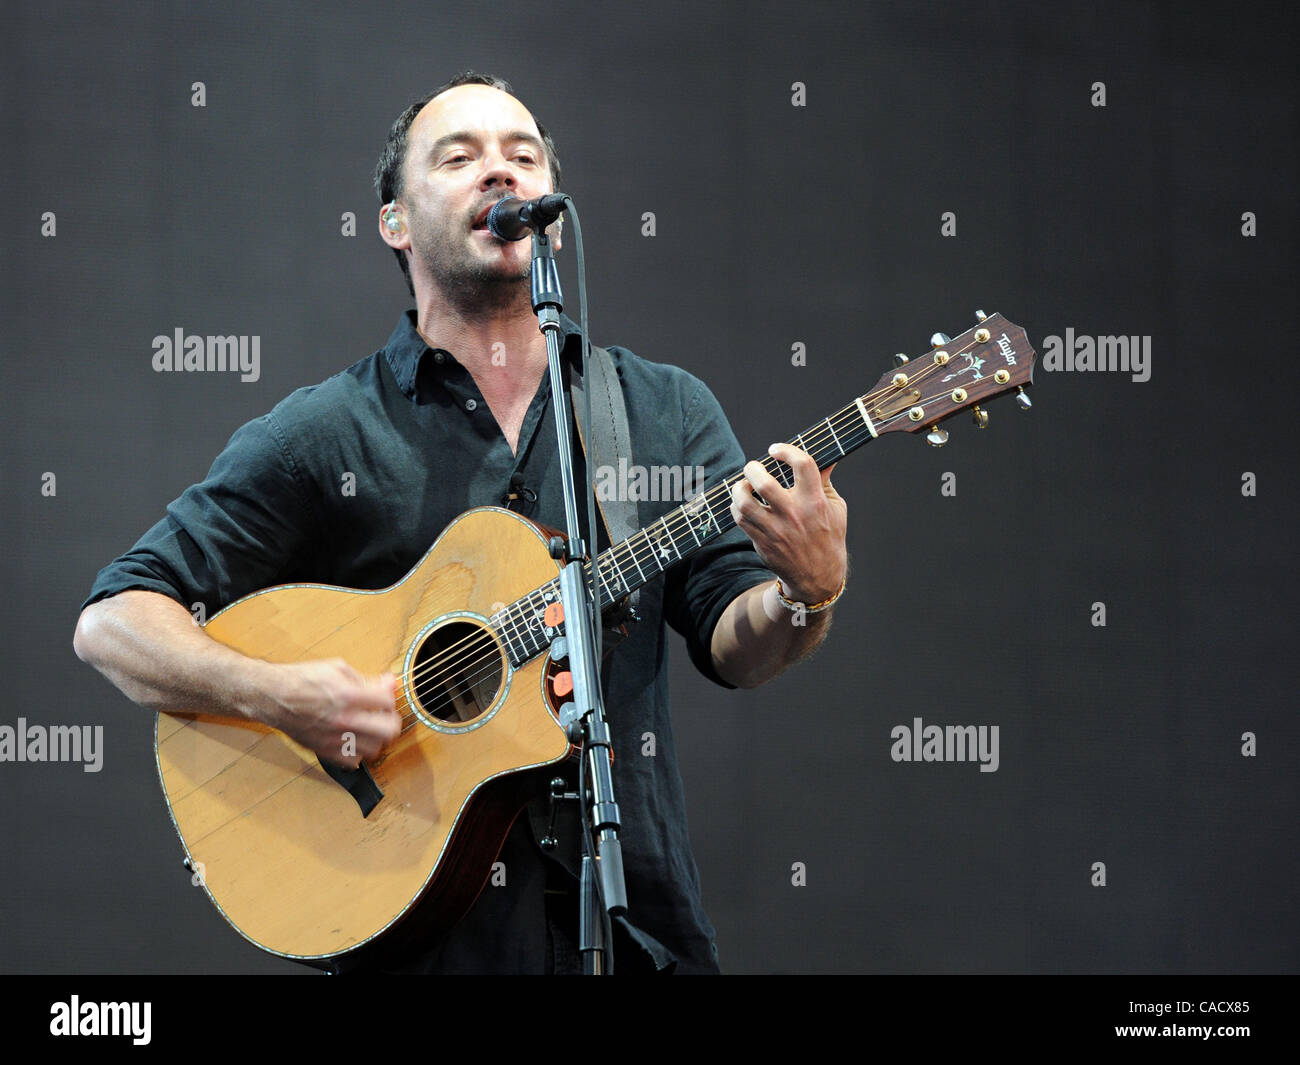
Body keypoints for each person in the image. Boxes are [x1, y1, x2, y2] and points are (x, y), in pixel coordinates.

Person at [73, 72, 849, 974]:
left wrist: (808, 591)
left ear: (551, 211)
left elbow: (734, 641)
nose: (501, 174)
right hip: (420, 941)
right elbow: (114, 620)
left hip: (633, 923)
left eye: (524, 157)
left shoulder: (658, 410)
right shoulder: (325, 431)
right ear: (395, 222)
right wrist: (284, 697)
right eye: (460, 157)